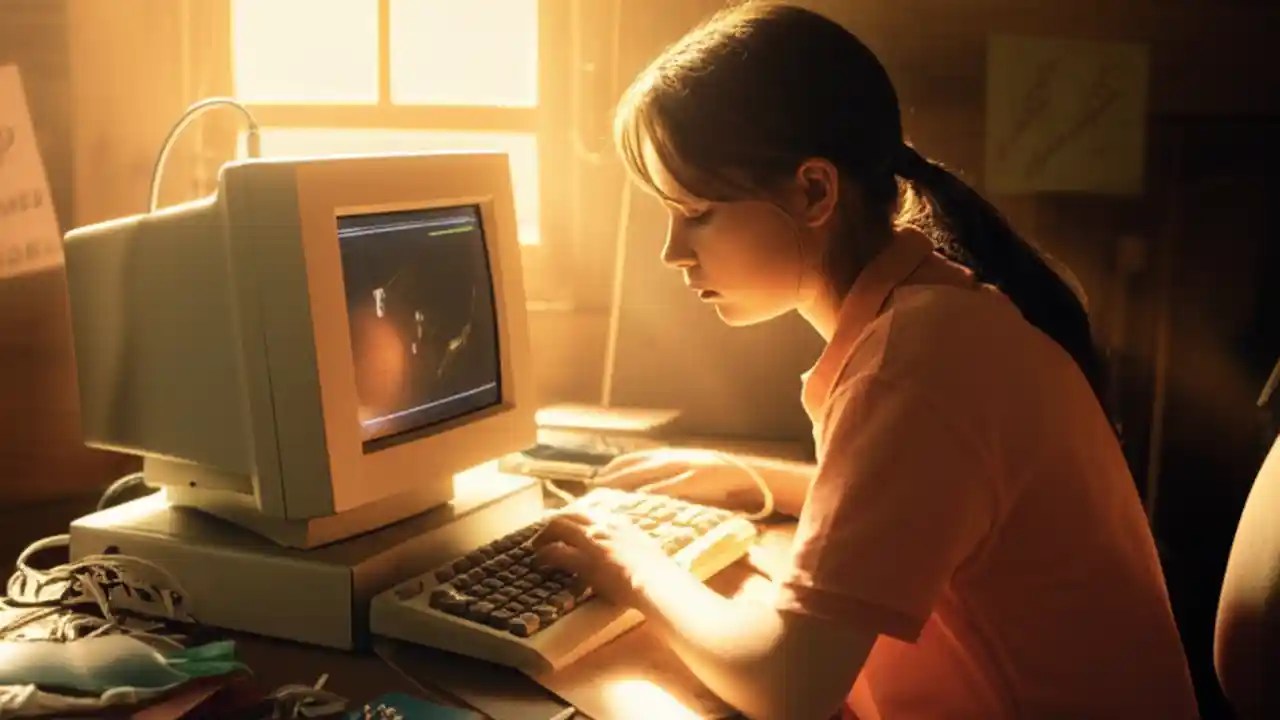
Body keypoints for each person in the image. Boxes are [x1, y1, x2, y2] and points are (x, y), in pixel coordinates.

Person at [529, 2, 1199, 718]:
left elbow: (788, 685)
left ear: (814, 191)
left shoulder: (914, 365)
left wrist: (631, 563)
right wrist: (756, 480)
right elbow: (923, 499)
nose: (672, 252)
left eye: (695, 212)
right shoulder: (940, 315)